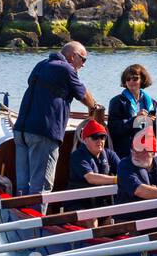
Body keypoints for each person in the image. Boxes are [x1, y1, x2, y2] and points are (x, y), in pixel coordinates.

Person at [14, 41, 96, 195]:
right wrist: (94, 107)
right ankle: (37, 218)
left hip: (21, 132)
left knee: (22, 187)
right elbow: (84, 96)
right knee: (41, 188)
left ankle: (20, 214)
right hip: (44, 133)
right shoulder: (66, 69)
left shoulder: (41, 64)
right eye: (83, 60)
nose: (83, 65)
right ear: (72, 57)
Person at [116, 126, 157, 217]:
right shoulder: (124, 165)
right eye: (134, 149)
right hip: (129, 219)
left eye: (142, 150)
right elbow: (139, 190)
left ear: (153, 153)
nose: (136, 154)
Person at [107, 63, 157, 159]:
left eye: (135, 78)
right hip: (127, 150)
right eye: (128, 79)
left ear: (142, 80)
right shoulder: (117, 102)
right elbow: (114, 129)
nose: (131, 81)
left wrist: (154, 121)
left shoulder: (152, 103)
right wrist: (135, 120)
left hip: (149, 147)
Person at [67, 119, 119, 203]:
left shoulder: (110, 154)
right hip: (80, 204)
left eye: (102, 137)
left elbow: (123, 170)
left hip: (102, 203)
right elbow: (91, 178)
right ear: (85, 140)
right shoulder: (77, 156)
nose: (100, 141)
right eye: (95, 137)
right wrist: (116, 180)